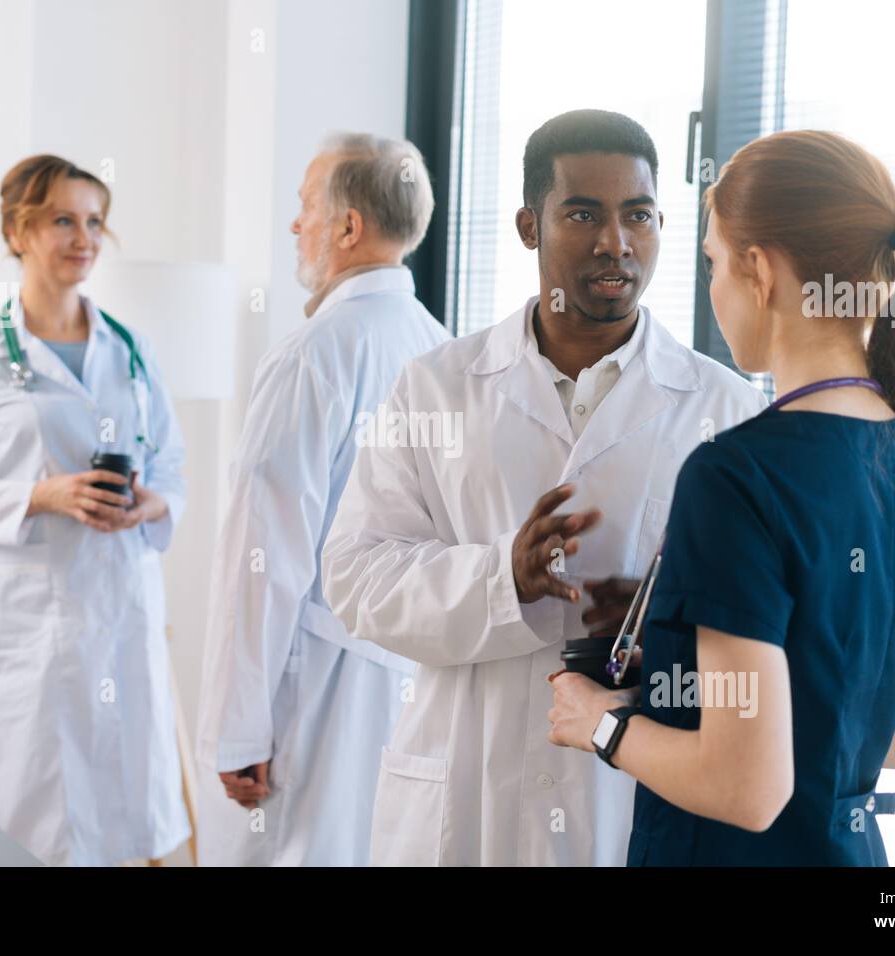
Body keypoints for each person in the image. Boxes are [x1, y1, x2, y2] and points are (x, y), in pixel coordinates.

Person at [322, 110, 766, 866]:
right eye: (583, 214)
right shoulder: (435, 387)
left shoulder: (725, 408)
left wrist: (660, 622)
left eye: (639, 216)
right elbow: (355, 575)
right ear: (530, 225)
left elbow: (761, 625)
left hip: (629, 789)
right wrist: (504, 576)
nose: (615, 243)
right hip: (465, 788)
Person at [547, 130, 895, 866]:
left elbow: (748, 788)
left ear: (759, 271)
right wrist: (686, 688)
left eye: (713, 262)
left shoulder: (735, 476)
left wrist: (600, 724)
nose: (711, 288)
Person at [0, 155, 188, 866]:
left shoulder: (132, 352)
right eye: (63, 219)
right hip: (27, 630)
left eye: (94, 221)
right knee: (26, 831)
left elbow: (172, 469)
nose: (84, 237)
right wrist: (42, 495)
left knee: (121, 822)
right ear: (16, 231)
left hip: (121, 609)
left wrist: (154, 504)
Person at [195, 133, 449, 866]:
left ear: (347, 227)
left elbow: (263, 552)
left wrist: (237, 730)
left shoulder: (315, 352)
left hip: (311, 691)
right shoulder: (441, 351)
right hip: (407, 690)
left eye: (306, 206)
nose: (294, 225)